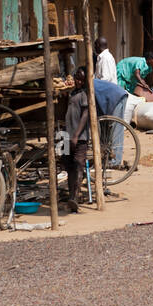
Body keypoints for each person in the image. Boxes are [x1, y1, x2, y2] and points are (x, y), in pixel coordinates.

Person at [62, 68, 92, 213]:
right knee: (68, 166)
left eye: (81, 79)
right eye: (77, 78)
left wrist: (76, 135)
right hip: (66, 135)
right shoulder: (71, 92)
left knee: (78, 164)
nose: (78, 81)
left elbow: (85, 114)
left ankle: (75, 197)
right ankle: (71, 196)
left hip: (79, 137)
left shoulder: (84, 94)